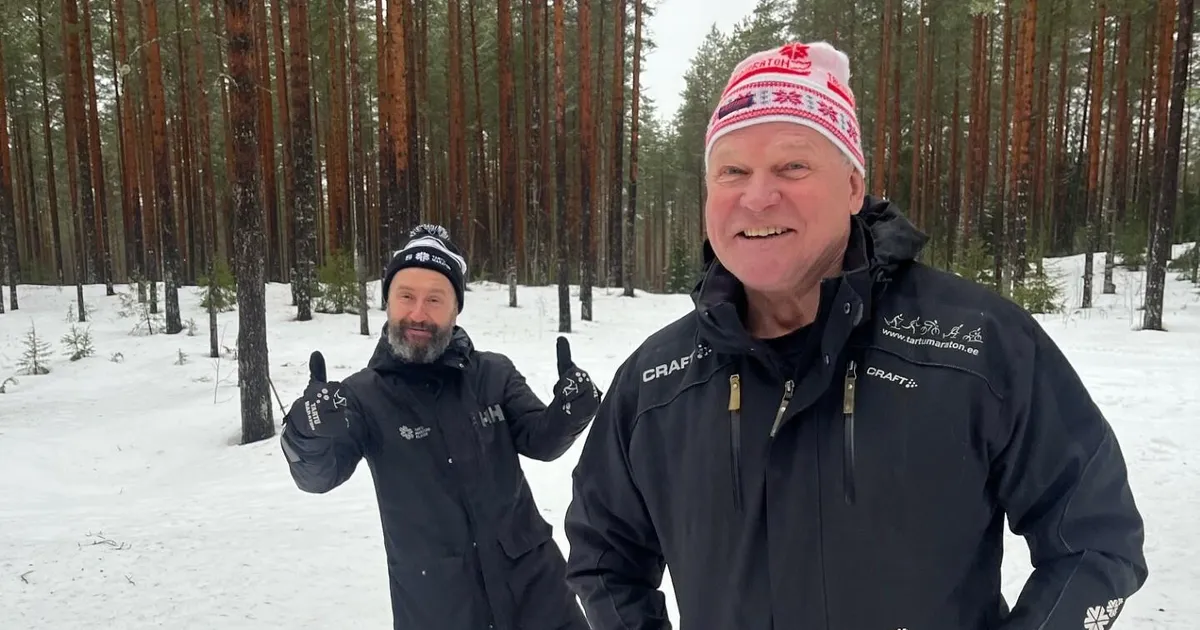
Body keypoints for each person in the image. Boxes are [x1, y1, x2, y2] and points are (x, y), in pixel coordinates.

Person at [563, 41, 1147, 630]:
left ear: (851, 187)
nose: (758, 195)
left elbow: (1096, 540)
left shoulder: (977, 345)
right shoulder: (656, 382)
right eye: (732, 170)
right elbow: (603, 556)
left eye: (793, 166)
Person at [281, 224, 599, 630]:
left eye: (434, 299)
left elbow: (541, 438)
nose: (418, 313)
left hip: (538, 593)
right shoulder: (362, 396)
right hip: (437, 606)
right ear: (388, 303)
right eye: (406, 296)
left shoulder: (493, 374)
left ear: (455, 308)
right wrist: (306, 435)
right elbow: (319, 476)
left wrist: (573, 410)